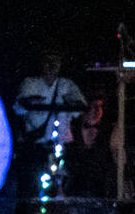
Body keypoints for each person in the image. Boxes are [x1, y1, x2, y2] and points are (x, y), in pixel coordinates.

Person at [13, 52, 85, 197]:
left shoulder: (67, 85)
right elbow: (19, 107)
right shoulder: (30, 84)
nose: (51, 65)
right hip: (37, 148)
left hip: (62, 147)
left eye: (55, 61)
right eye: (48, 61)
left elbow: (80, 107)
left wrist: (69, 102)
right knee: (31, 190)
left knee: (65, 188)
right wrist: (31, 103)